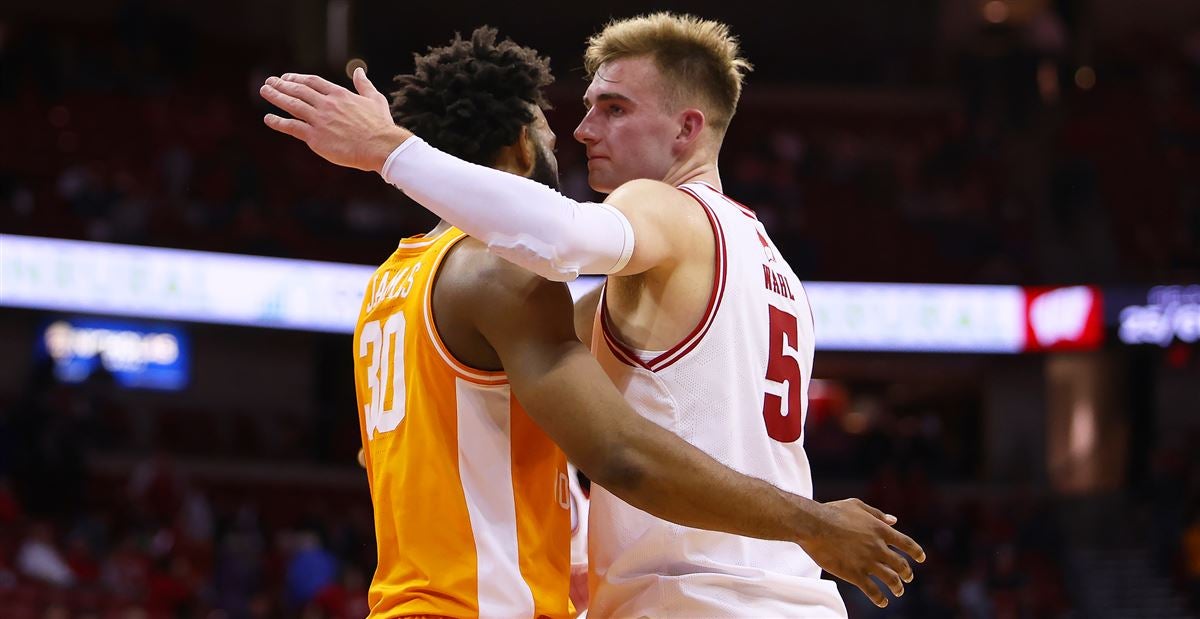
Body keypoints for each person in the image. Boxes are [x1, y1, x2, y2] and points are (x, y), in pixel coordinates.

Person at [260, 16, 925, 617]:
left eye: (612, 108)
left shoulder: (663, 209)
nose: (583, 131)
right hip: (789, 595)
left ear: (687, 129)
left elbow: (564, 242)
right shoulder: (770, 265)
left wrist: (391, 150)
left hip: (693, 598)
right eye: (581, 112)